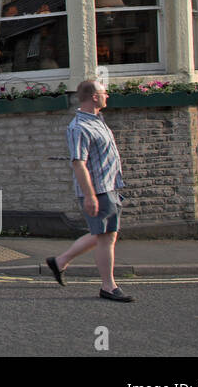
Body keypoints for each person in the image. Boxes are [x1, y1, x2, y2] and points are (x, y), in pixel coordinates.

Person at [46, 80, 135, 302]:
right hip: (98, 190)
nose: (108, 96)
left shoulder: (97, 121)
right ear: (94, 96)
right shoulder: (79, 127)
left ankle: (59, 262)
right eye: (105, 93)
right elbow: (78, 163)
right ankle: (108, 286)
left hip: (109, 186)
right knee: (106, 238)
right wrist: (90, 195)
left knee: (102, 235)